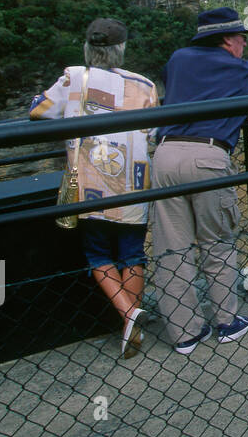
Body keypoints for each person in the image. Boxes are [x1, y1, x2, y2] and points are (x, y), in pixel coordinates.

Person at [30, 18, 157, 359]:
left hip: (90, 187)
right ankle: (133, 322)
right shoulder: (144, 85)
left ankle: (129, 315)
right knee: (132, 253)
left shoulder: (73, 78)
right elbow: (153, 132)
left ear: (88, 48)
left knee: (98, 254)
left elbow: (38, 111)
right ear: (121, 49)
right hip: (132, 184)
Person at [150, 7, 248, 355]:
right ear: (228, 40)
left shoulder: (178, 59)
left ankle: (185, 334)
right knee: (216, 242)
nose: (245, 46)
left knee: (172, 247)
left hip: (166, 155)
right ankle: (226, 322)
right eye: (243, 40)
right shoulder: (242, 67)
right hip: (208, 157)